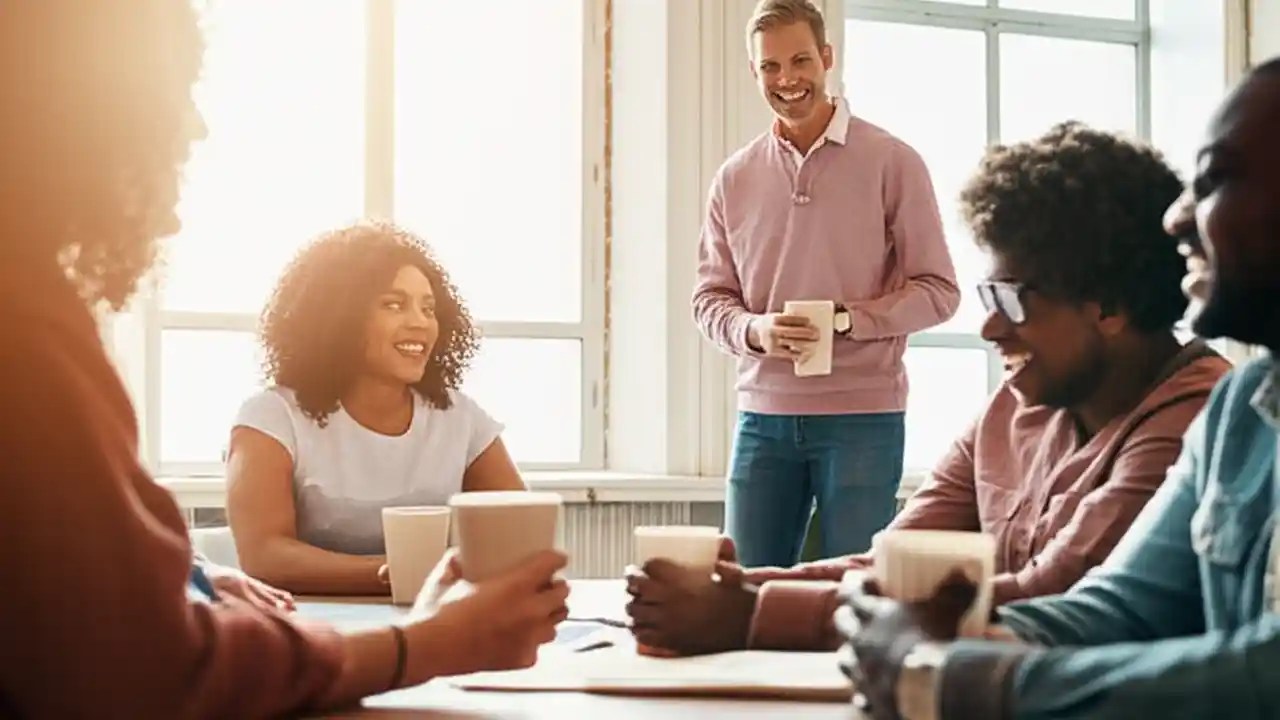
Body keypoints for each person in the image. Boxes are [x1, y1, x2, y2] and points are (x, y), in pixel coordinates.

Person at [0, 3, 567, 717]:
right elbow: (152, 662)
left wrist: (196, 580)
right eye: (176, 92)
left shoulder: (34, 317)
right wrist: (423, 644)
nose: (196, 127)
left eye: (426, 306)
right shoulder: (29, 338)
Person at [628, 122, 1230, 655]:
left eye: (1012, 300)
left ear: (1110, 306)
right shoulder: (1013, 406)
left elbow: (1052, 595)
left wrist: (751, 615)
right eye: (988, 298)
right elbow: (895, 564)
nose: (990, 328)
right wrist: (742, 587)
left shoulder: (1199, 418)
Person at [840, 58, 1280, 720]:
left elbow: (1264, 672)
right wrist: (954, 643)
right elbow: (1125, 604)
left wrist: (957, 678)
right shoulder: (1238, 413)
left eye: (1215, 179)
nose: (1178, 219)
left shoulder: (1188, 407)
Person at [692, 0, 959, 568]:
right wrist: (755, 329)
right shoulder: (734, 178)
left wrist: (846, 321)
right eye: (770, 67)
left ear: (827, 58)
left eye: (800, 61)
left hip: (864, 418)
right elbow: (709, 300)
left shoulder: (893, 161)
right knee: (743, 592)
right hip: (761, 420)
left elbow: (939, 291)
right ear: (754, 72)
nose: (786, 80)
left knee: (853, 598)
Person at [226, 223, 523, 595]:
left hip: (436, 619)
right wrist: (399, 574)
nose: (420, 322)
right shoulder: (272, 417)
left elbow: (521, 534)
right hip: (313, 627)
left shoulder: (460, 417)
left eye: (428, 308)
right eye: (393, 305)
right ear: (339, 316)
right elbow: (264, 556)